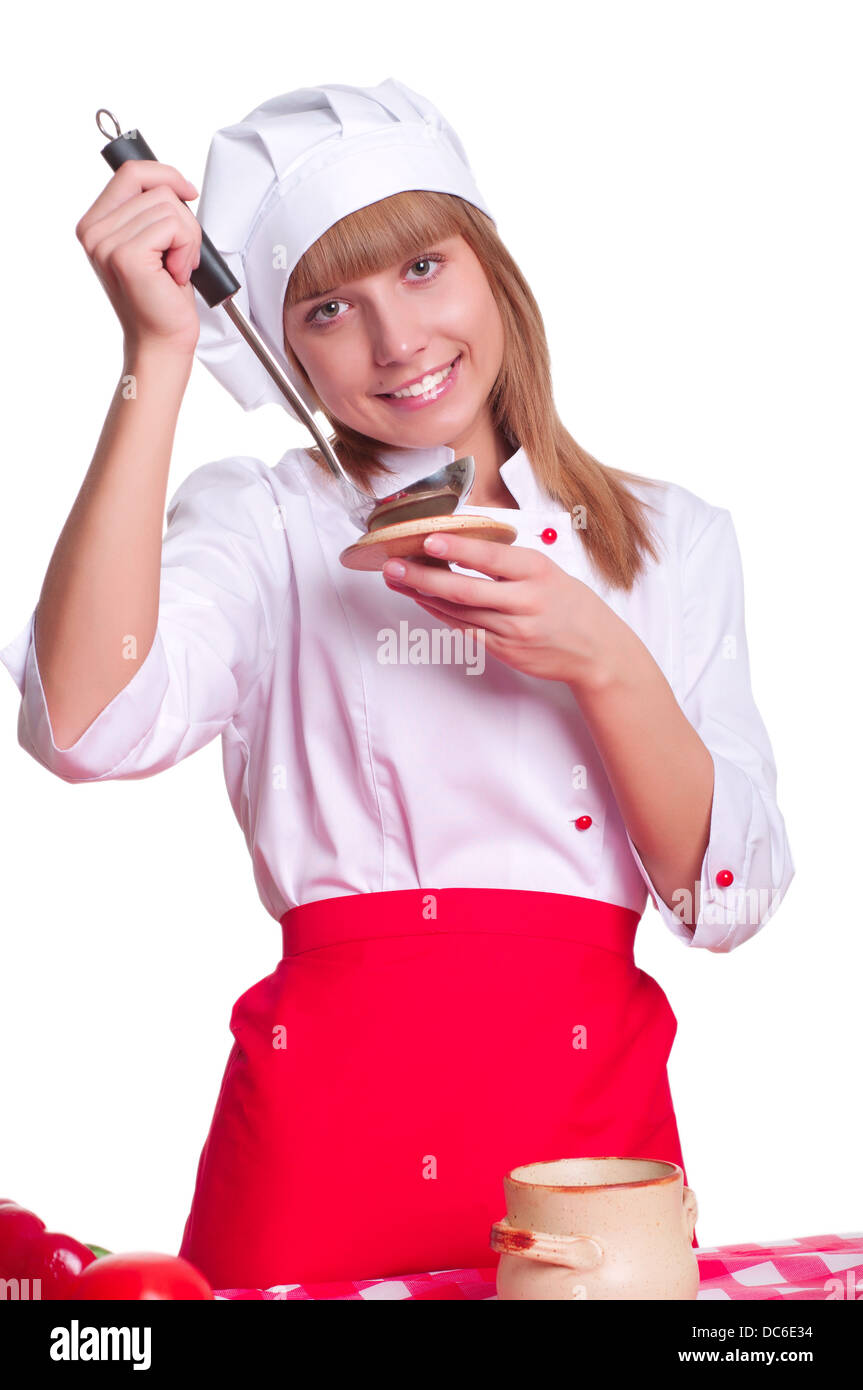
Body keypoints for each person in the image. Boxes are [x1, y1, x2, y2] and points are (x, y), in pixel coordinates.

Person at [0, 78, 794, 1289]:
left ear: (488, 265)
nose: (395, 343)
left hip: (587, 1171)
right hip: (315, 1158)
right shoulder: (266, 524)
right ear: (280, 346)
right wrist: (152, 358)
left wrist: (598, 654)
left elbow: (725, 900)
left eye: (421, 269)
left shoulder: (667, 537)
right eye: (327, 308)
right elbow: (83, 726)